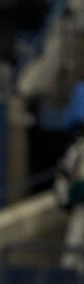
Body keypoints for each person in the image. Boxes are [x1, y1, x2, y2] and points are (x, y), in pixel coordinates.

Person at [54, 86, 84, 272]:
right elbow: (62, 183)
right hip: (80, 215)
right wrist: (70, 195)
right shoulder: (78, 150)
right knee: (72, 264)